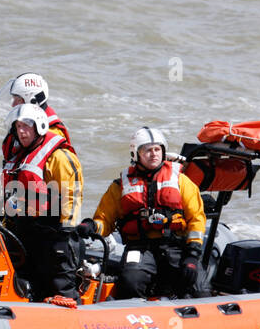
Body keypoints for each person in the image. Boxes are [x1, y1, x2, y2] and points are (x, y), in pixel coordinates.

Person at [78, 126, 207, 300]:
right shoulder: (120, 186)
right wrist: (91, 226)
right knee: (131, 281)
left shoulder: (181, 181)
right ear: (136, 154)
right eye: (147, 150)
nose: (153, 154)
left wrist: (192, 255)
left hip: (175, 245)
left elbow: (196, 219)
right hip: (139, 247)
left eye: (157, 149)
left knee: (198, 287)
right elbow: (104, 219)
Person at [0, 103, 84, 302]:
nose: (21, 131)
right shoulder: (20, 157)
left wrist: (65, 232)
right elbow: (13, 196)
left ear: (39, 127)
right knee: (25, 283)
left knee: (59, 286)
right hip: (25, 231)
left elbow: (71, 194)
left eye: (26, 126)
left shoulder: (59, 156)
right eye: (18, 127)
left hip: (54, 233)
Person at [0, 72, 72, 167]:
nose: (13, 105)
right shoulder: (26, 128)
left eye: (18, 100)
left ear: (33, 101)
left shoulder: (51, 135)